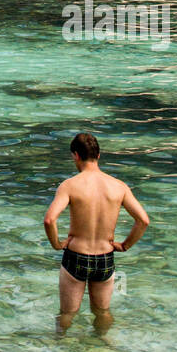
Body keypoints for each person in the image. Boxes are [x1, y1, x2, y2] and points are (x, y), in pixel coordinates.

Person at [43, 132, 150, 332]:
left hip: (76, 256)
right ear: (98, 155)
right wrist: (125, 245)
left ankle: (59, 351)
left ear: (76, 156)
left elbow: (49, 219)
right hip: (105, 258)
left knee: (67, 314)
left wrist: (57, 244)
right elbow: (143, 220)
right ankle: (102, 350)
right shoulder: (119, 186)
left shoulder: (70, 185)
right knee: (102, 312)